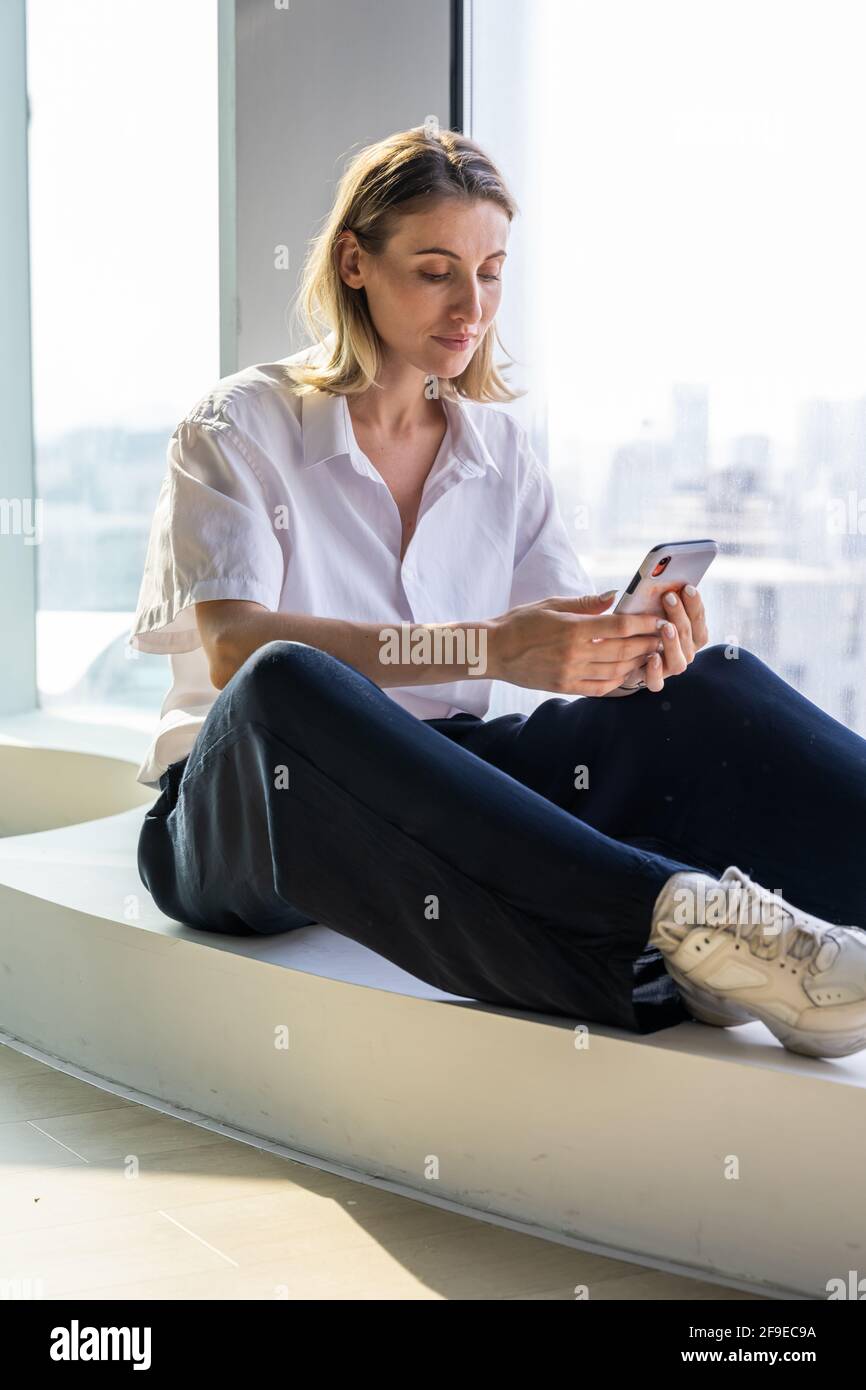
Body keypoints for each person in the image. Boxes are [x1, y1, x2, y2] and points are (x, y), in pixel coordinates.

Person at [130, 126, 866, 1060]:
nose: (470, 305)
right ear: (355, 262)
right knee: (285, 680)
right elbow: (235, 653)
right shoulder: (239, 422)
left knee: (707, 682)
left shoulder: (498, 450)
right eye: (435, 270)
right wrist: (486, 647)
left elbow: (557, 644)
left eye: (490, 272)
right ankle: (688, 924)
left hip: (443, 784)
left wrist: (632, 645)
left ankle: (740, 929)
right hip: (249, 806)